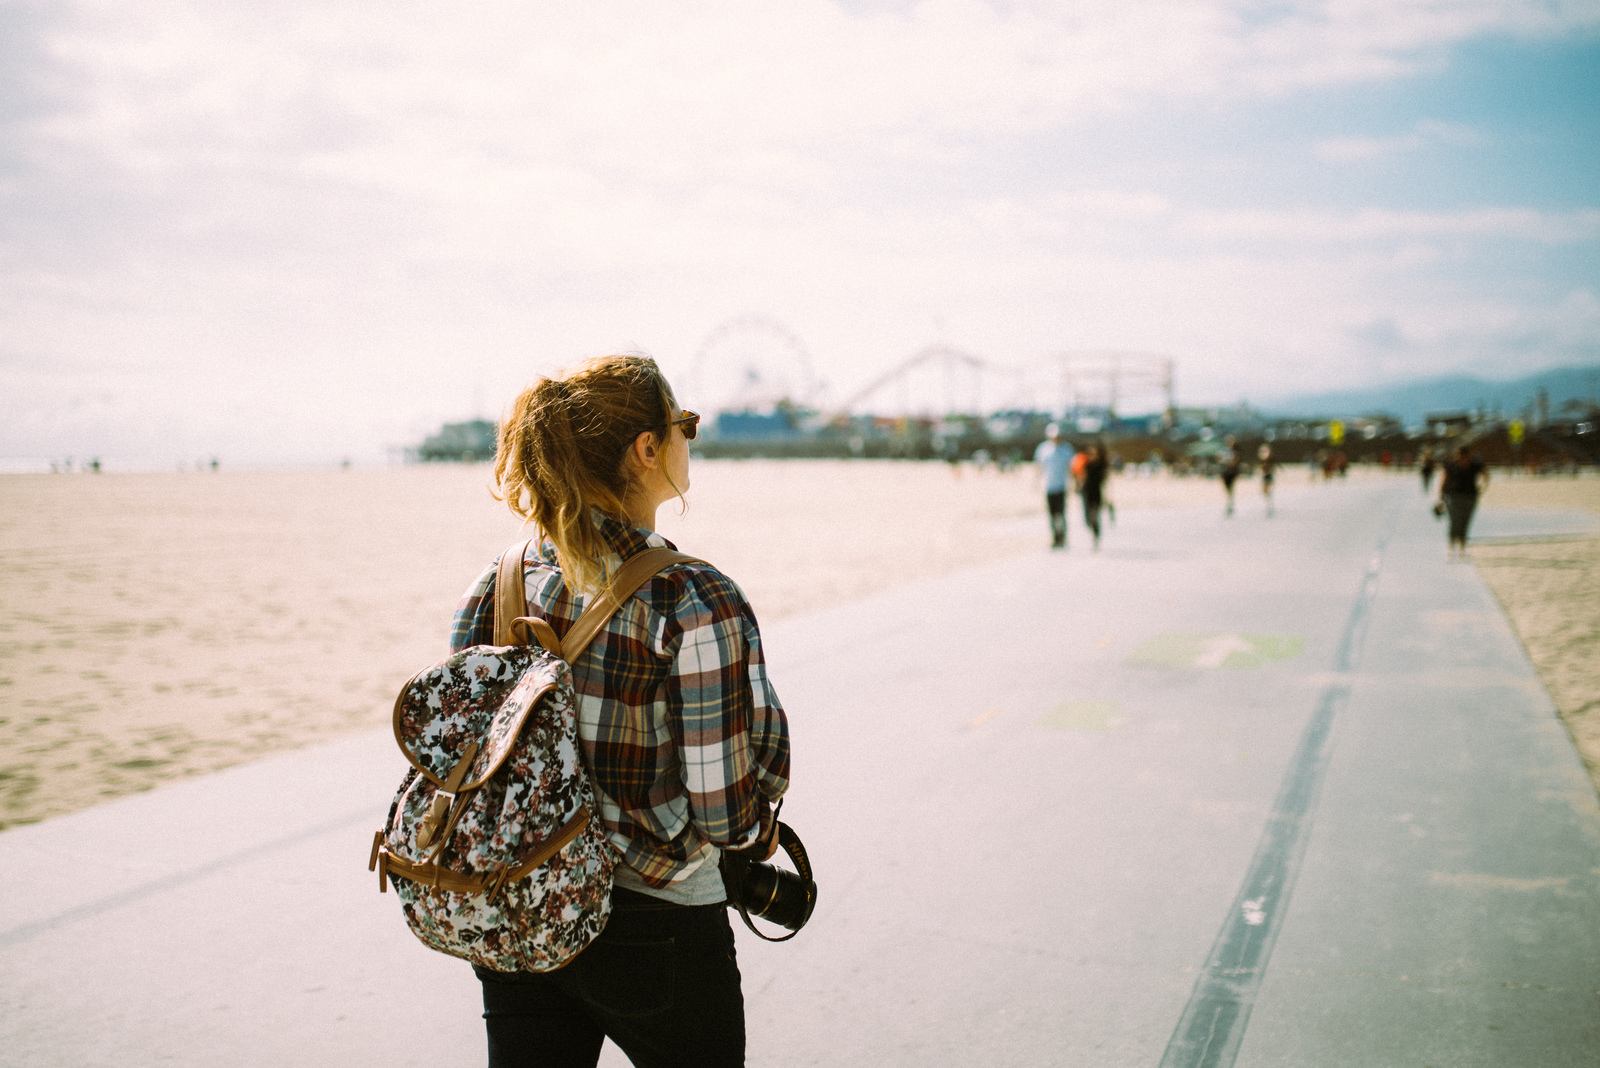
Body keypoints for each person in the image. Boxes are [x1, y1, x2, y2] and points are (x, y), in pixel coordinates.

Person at [450, 354, 791, 1066]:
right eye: (684, 425)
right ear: (646, 449)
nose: (689, 438)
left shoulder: (499, 582)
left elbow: (462, 749)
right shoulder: (693, 598)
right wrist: (762, 837)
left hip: (519, 906)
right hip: (656, 919)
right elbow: (723, 811)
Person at [1438, 443, 1490, 560]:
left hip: (1470, 497)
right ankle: (1451, 547)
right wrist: (1441, 496)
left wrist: (1482, 488)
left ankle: (1462, 548)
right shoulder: (1450, 465)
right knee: (1455, 522)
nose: (1462, 458)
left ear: (1468, 455)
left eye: (1464, 455)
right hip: (1453, 497)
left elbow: (1486, 475)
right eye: (1459, 455)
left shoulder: (1475, 465)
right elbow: (1443, 479)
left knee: (1465, 523)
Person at [1034, 424, 1075, 549]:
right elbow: (1039, 466)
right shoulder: (1043, 449)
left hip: (1062, 486)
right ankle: (1055, 538)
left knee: (1061, 514)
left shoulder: (1067, 449)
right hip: (1049, 486)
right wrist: (1036, 482)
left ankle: (1062, 537)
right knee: (1052, 514)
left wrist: (1074, 483)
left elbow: (1072, 468)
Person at [1076, 441, 1110, 550]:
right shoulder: (1086, 463)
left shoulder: (1101, 465)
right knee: (1087, 518)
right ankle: (1094, 532)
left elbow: (1105, 479)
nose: (1092, 455)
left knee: (1094, 515)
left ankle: (1096, 535)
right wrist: (1078, 486)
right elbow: (1080, 475)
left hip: (1096, 493)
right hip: (1086, 493)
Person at [1220, 437, 1241, 516]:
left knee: (1230, 488)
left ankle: (1230, 502)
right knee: (1228, 488)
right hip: (1226, 472)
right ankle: (1230, 500)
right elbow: (1222, 460)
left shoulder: (1236, 451)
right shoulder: (1225, 450)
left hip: (1232, 472)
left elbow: (1236, 461)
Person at [1257, 444, 1276, 517]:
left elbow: (1270, 468)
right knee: (1265, 491)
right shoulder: (1263, 460)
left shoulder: (1269, 460)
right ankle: (1269, 505)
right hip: (1265, 476)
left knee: (1266, 490)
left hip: (1268, 476)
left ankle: (1269, 506)